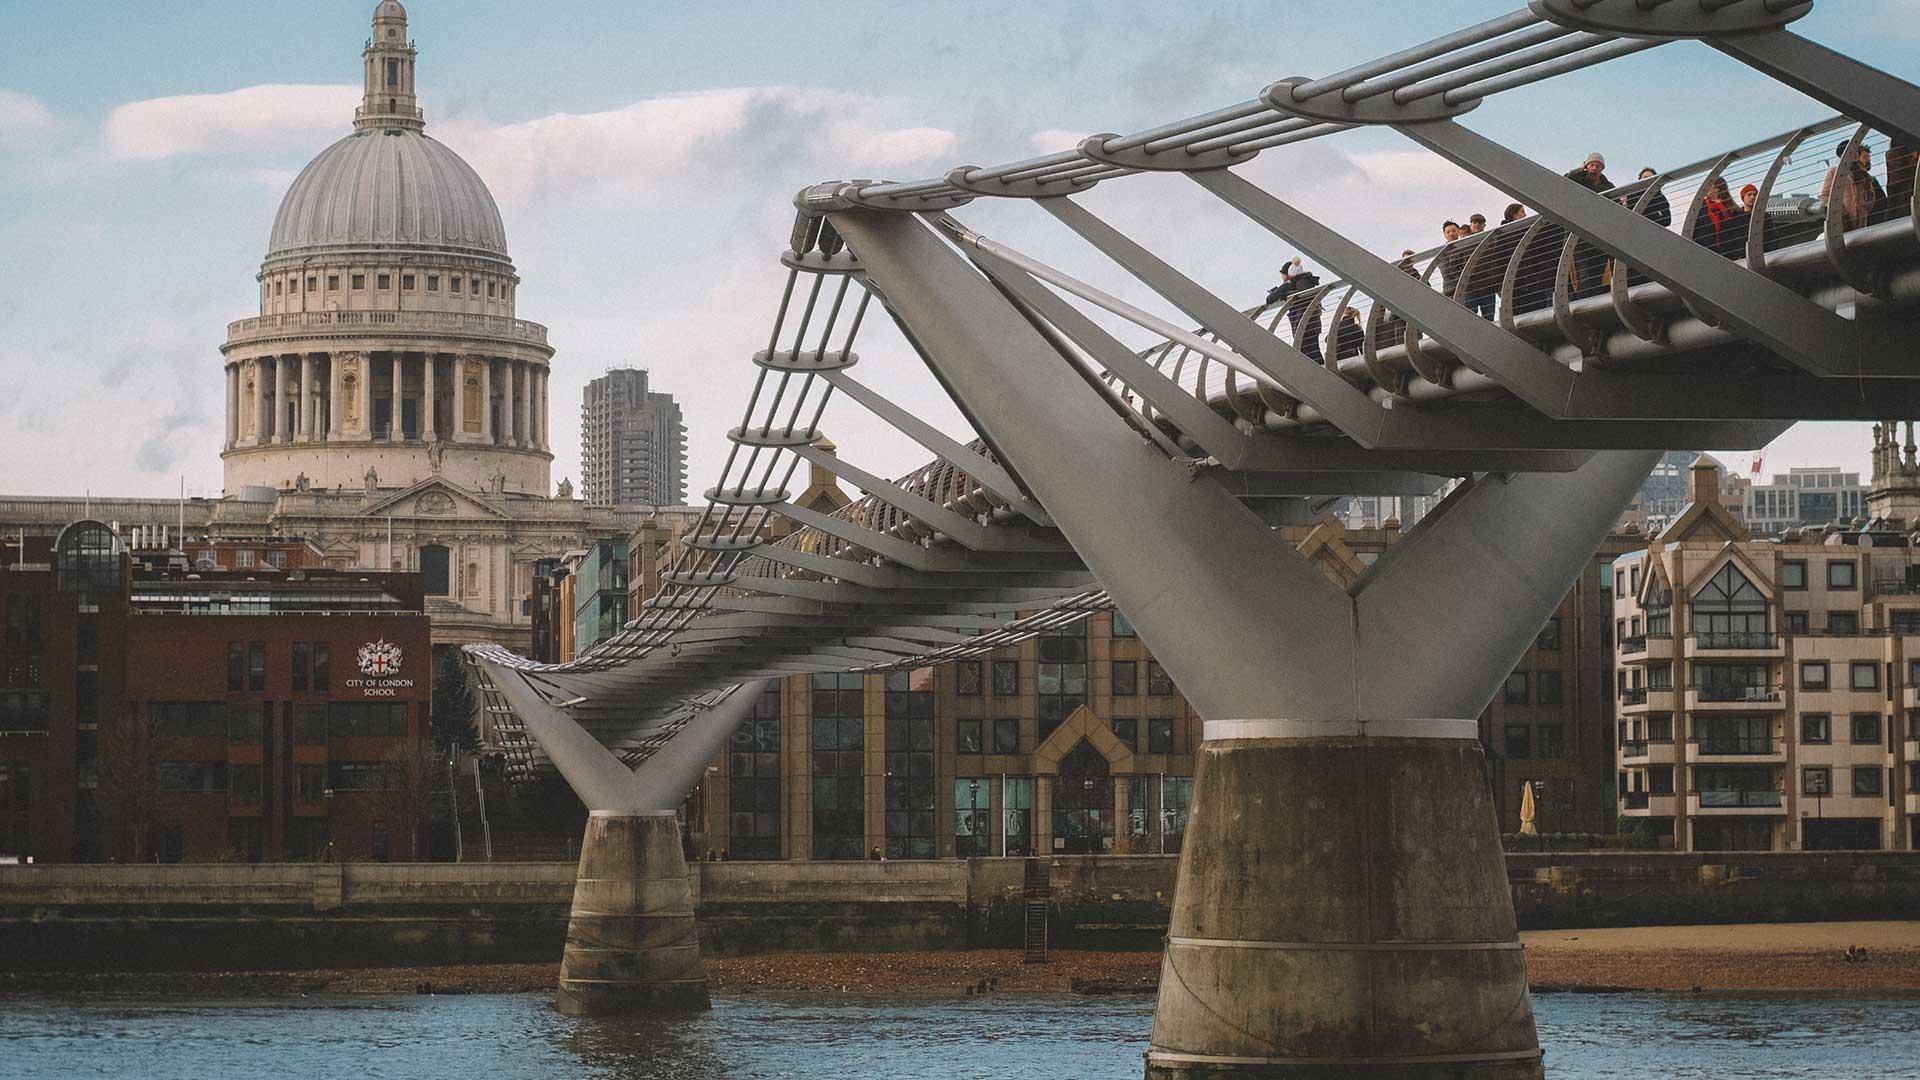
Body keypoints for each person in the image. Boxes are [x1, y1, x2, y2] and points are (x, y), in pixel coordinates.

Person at [1564, 153, 1613, 298]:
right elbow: (1563, 180)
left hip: (1600, 240)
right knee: (1583, 277)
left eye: (1598, 166)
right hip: (1579, 240)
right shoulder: (1578, 181)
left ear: (1602, 169)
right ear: (1586, 166)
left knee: (1598, 278)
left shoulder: (1608, 186)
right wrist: (1579, 170)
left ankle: (1595, 306)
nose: (1595, 168)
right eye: (1592, 165)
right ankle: (1586, 306)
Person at [1822, 140, 1884, 231]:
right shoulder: (1834, 172)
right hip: (1844, 220)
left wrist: (1865, 208)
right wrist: (1841, 210)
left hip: (1862, 219)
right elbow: (1824, 196)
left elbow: (1871, 195)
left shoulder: (1863, 173)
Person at [1270, 258, 1325, 362]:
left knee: (1310, 352)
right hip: (1307, 323)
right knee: (1310, 351)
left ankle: (1321, 373)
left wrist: (1286, 294)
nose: (1281, 276)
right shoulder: (1301, 282)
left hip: (1305, 323)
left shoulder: (1300, 282)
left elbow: (1304, 294)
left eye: (1282, 274)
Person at [1691, 176, 1746, 258]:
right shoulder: (1699, 207)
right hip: (1704, 254)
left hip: (1729, 255)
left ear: (1718, 188)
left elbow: (1741, 232)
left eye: (1709, 185)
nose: (1706, 188)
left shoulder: (1732, 209)